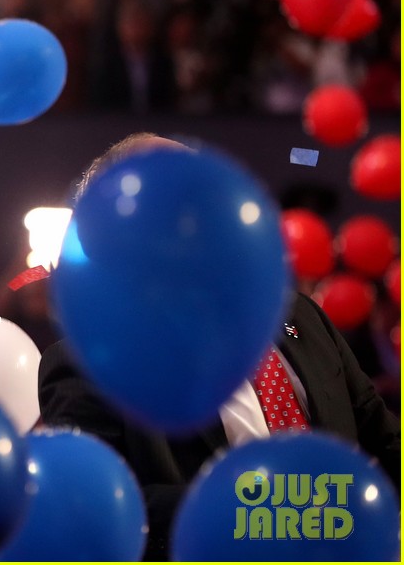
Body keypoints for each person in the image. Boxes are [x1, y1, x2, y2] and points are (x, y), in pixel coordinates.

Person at [38, 132, 401, 561]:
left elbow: (383, 438)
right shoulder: (88, 362)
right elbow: (95, 502)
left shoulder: (299, 313)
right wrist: (268, 506)